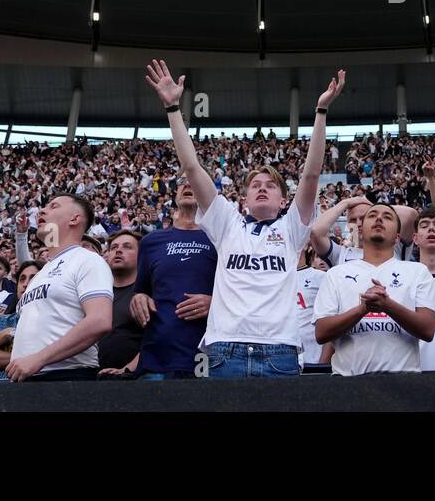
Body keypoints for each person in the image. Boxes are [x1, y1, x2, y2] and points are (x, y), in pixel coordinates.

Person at [145, 59, 342, 378]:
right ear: (244, 198)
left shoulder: (292, 228)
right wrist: (171, 109)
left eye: (270, 186)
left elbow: (311, 175)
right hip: (223, 349)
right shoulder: (226, 222)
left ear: (283, 200)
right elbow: (192, 168)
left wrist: (321, 112)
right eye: (255, 185)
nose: (262, 189)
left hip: (281, 351)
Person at [313, 203, 435, 375]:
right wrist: (362, 310)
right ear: (360, 231)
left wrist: (387, 306)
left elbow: (427, 330)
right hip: (349, 384)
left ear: (398, 237)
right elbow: (321, 332)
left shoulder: (417, 271)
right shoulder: (336, 274)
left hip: (404, 383)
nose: (379, 218)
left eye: (387, 217)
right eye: (372, 215)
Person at [7, 193, 113, 381]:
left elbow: (99, 321)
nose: (42, 210)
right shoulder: (42, 272)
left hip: (66, 377)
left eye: (54, 206)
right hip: (25, 377)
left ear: (75, 218)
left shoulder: (88, 260)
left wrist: (39, 358)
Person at [126, 182, 215, 380]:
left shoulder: (221, 239)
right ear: (174, 196)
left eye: (193, 180)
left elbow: (238, 292)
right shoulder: (151, 242)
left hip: (208, 357)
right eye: (182, 182)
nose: (188, 184)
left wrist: (215, 303)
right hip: (156, 356)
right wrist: (138, 298)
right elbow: (141, 291)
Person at [0, 260, 42, 383]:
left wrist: (0, 354)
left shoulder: (55, 318)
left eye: (33, 278)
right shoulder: (4, 321)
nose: (26, 284)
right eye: (22, 279)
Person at [97, 230, 146, 374]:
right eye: (114, 247)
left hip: (138, 380)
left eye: (127, 246)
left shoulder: (148, 293)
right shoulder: (98, 295)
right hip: (95, 381)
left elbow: (156, 338)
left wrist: (127, 369)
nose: (118, 250)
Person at [412, 205, 435, 371]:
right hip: (412, 377)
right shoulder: (404, 280)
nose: (431, 228)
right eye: (424, 225)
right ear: (415, 238)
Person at [295, 242, 327, 368]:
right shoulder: (273, 278)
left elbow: (330, 320)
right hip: (279, 360)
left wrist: (323, 364)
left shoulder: (321, 277)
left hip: (312, 360)